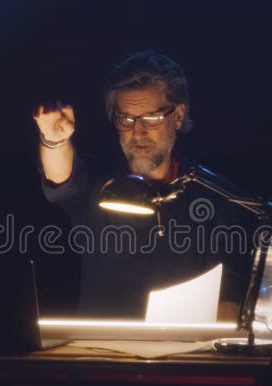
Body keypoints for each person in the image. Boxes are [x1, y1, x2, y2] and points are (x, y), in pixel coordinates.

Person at [33, 50, 251, 319]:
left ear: (178, 116)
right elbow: (61, 177)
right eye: (126, 120)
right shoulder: (100, 185)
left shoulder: (215, 197)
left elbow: (228, 301)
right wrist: (54, 140)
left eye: (151, 118)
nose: (138, 133)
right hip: (100, 356)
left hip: (182, 356)